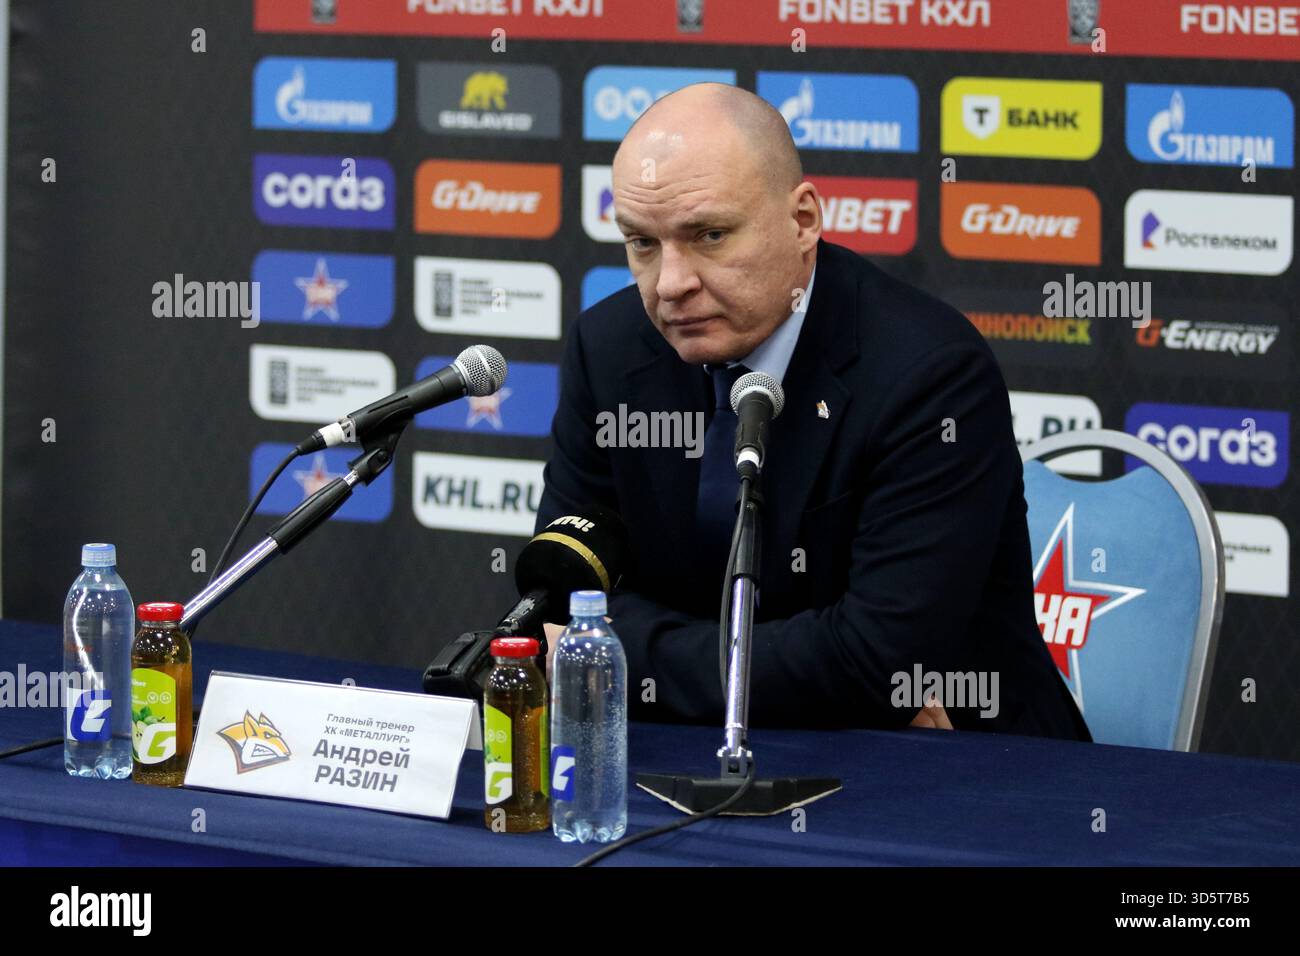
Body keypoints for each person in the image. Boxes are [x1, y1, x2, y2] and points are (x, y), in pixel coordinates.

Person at [536, 83, 1090, 740]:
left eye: (709, 235)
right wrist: (819, 677)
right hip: (694, 751)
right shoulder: (608, 351)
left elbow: (875, 661)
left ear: (803, 221)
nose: (670, 283)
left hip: (962, 775)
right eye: (643, 244)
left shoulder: (930, 373)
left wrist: (613, 650)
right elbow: (561, 593)